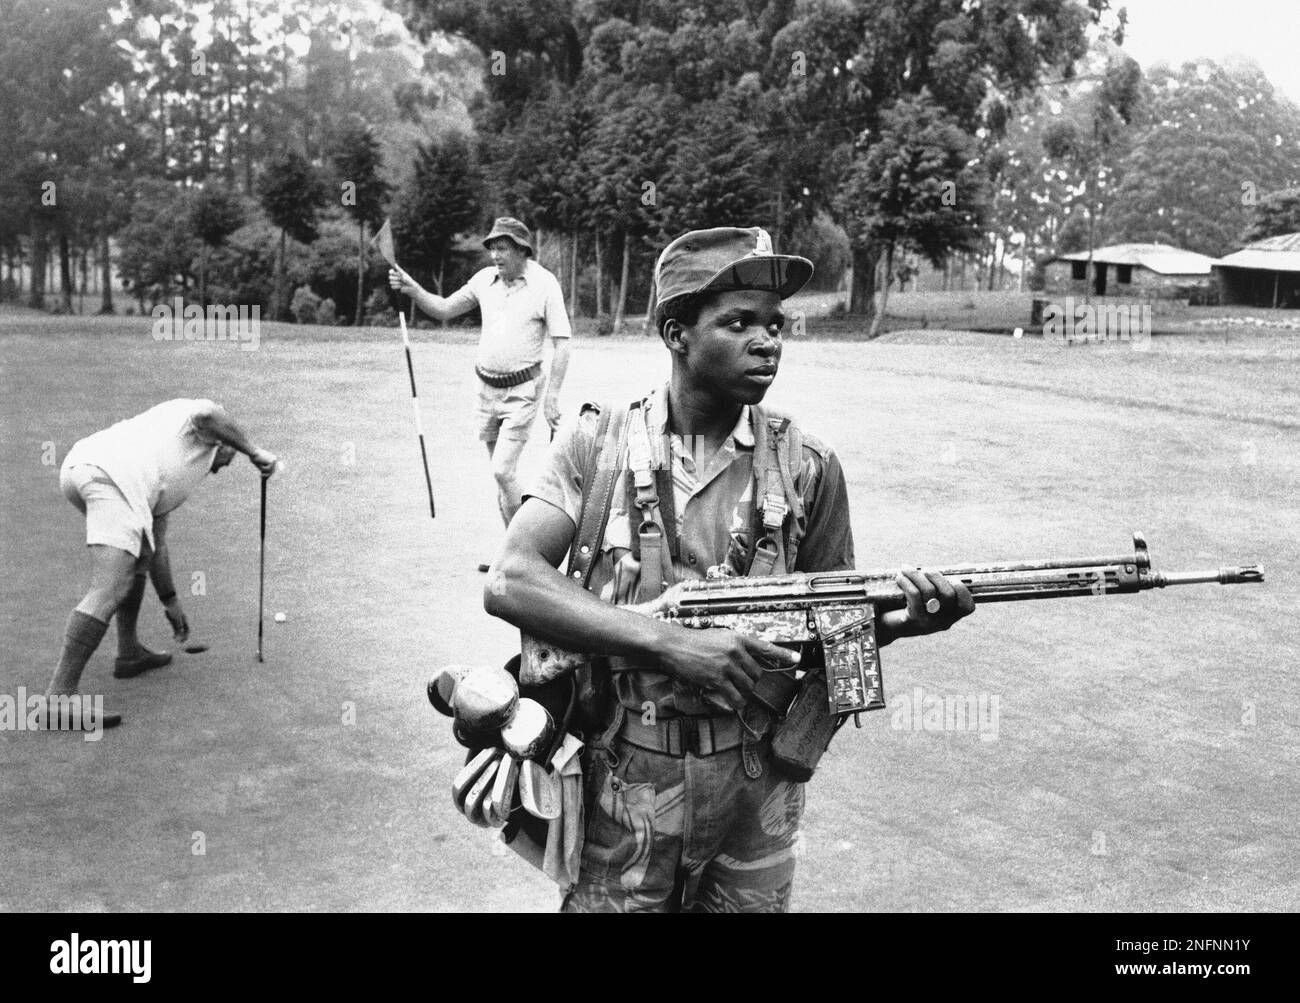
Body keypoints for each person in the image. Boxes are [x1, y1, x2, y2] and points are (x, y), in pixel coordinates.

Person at [483, 226, 976, 912]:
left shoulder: (810, 468)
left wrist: (901, 622)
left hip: (758, 783)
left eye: (775, 324)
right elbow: (510, 578)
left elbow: (838, 626)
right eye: (738, 321)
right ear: (676, 332)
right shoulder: (598, 443)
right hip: (625, 779)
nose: (767, 340)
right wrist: (668, 642)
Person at [45, 399, 278, 730]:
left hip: (85, 468)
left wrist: (170, 600)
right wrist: (255, 451)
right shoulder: (201, 422)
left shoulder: (169, 458)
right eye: (231, 456)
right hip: (112, 475)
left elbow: (155, 544)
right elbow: (210, 415)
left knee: (136, 557)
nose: (225, 466)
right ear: (223, 442)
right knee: (108, 588)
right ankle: (58, 700)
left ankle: (129, 653)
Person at [388, 217, 572, 540]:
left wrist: (553, 396)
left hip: (523, 391)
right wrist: (411, 289)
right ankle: (509, 554)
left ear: (521, 250)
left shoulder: (545, 284)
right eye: (493, 250)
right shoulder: (484, 280)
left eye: (502, 249)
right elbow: (444, 309)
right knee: (501, 477)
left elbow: (563, 345)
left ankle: (526, 549)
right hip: (486, 390)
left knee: (503, 470)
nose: (495, 256)